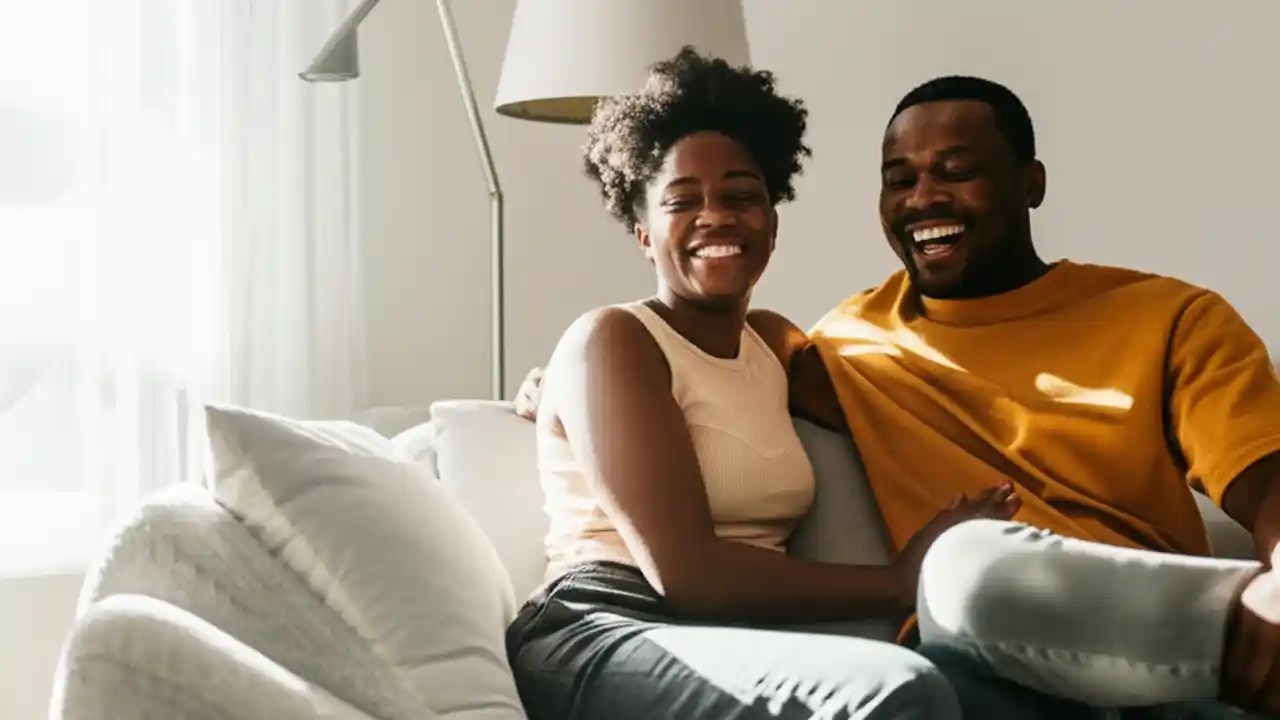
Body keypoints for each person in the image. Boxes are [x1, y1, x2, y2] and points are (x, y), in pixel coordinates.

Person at [516, 72, 1280, 718]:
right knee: (964, 568)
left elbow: (1268, 480)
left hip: (1150, 652)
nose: (925, 199)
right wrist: (567, 382)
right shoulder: (856, 336)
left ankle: (1244, 637)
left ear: (1031, 182)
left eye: (956, 170)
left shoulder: (1168, 318)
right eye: (901, 180)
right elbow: (681, 526)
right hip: (963, 654)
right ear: (643, 230)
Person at [505, 47, 1024, 720]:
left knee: (988, 690)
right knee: (899, 691)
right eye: (682, 201)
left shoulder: (777, 345)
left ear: (772, 223)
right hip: (606, 629)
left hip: (732, 640)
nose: (715, 216)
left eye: (742, 196)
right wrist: (898, 582)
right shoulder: (614, 339)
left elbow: (900, 402)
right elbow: (688, 576)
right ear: (643, 231)